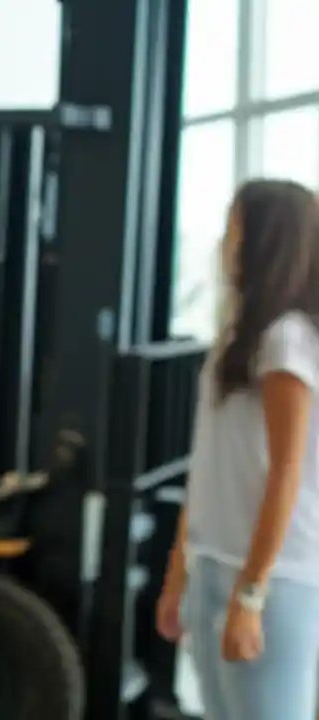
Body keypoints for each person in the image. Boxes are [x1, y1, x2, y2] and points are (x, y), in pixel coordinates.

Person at [155, 179, 319, 720]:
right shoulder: (238, 339)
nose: (224, 240)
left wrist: (251, 597)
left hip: (271, 581)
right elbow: (208, 465)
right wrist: (180, 570)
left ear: (265, 241)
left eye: (234, 226)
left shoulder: (288, 341)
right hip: (213, 565)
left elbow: (286, 476)